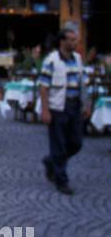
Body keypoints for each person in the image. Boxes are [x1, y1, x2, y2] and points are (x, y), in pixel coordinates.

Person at [39, 26, 91, 195]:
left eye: (76, 39)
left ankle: (51, 161)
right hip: (57, 107)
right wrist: (45, 110)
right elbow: (44, 87)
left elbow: (83, 83)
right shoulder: (51, 60)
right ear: (63, 41)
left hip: (75, 106)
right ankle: (62, 180)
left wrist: (87, 104)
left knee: (76, 143)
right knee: (59, 144)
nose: (75, 42)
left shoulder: (77, 58)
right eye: (72, 39)